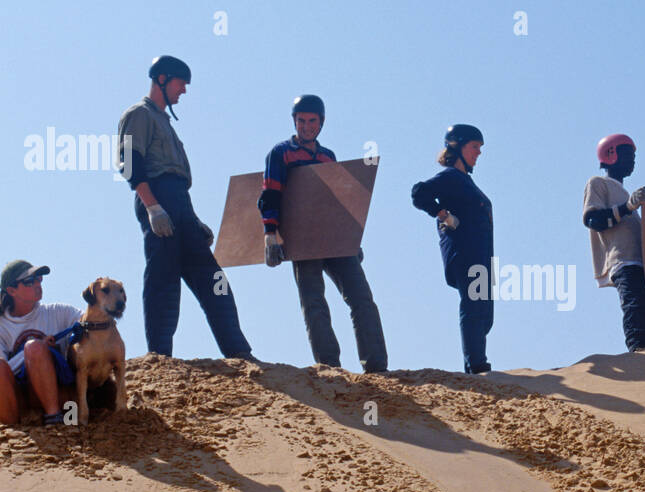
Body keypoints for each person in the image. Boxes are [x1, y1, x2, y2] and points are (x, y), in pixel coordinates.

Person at [117, 55, 254, 359]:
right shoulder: (139, 114)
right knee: (163, 281)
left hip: (179, 203)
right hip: (156, 197)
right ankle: (160, 357)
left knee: (214, 279)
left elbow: (177, 181)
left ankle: (239, 353)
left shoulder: (165, 121)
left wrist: (192, 219)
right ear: (163, 79)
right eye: (181, 83)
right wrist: (152, 208)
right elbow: (131, 165)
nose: (185, 91)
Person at [260, 94, 388, 372]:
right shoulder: (281, 153)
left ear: (322, 123)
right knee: (313, 301)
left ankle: (376, 366)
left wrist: (352, 237)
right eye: (301, 121)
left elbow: (337, 200)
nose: (306, 126)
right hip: (301, 240)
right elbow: (270, 194)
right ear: (294, 121)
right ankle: (329, 367)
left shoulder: (327, 156)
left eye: (312, 121)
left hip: (334, 240)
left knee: (361, 298)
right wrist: (270, 234)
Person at [581, 133, 645, 351]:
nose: (632, 160)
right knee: (636, 308)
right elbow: (592, 219)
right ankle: (640, 357)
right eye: (627, 154)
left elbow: (641, 232)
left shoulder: (624, 193)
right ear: (611, 154)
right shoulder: (598, 183)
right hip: (624, 261)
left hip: (644, 264)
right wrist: (627, 207)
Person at [411, 124, 494, 373]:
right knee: (473, 306)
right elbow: (419, 192)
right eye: (474, 147)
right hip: (465, 252)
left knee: (485, 314)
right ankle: (477, 366)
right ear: (457, 147)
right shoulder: (450, 177)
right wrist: (443, 215)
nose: (478, 153)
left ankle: (476, 364)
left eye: (480, 148)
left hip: (481, 255)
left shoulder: (466, 181)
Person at [0, 261, 83, 426]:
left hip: (57, 394)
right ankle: (11, 430)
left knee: (35, 348)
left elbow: (92, 323)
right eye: (29, 282)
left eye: (39, 279)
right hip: (15, 400)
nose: (37, 284)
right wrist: (35, 349)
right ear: (11, 290)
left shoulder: (58, 313)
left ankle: (53, 417)